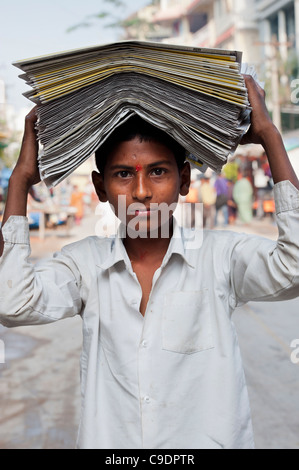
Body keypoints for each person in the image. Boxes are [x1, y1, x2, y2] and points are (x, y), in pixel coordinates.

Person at [0, 76, 299, 450]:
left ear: (184, 179)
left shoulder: (219, 257)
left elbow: (294, 268)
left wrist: (270, 134)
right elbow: (11, 303)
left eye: (157, 171)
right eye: (124, 174)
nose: (141, 192)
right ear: (100, 188)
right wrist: (21, 180)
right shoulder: (84, 265)